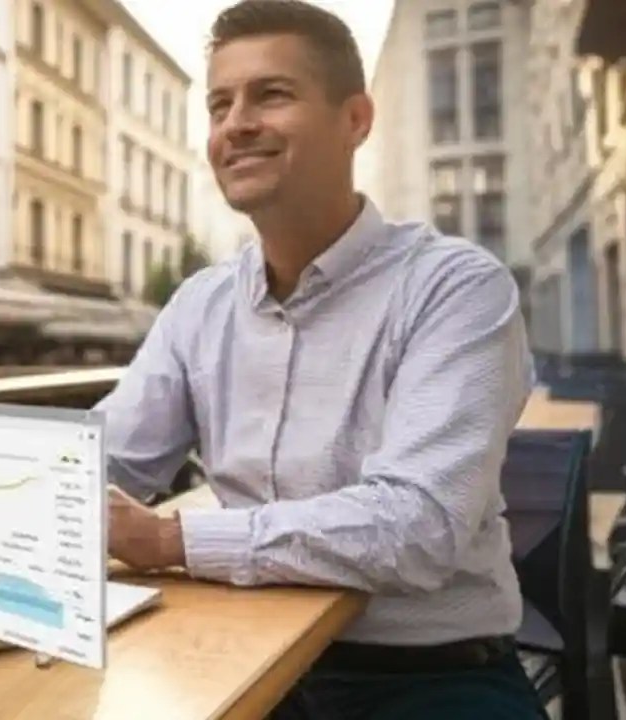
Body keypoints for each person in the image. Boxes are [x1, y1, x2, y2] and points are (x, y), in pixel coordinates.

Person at [97, 1, 545, 718]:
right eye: (219, 104)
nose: (235, 123)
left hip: (425, 678)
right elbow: (96, 462)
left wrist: (169, 539)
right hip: (235, 652)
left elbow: (417, 528)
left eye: (270, 94)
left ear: (356, 120)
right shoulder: (199, 304)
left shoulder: (456, 286)